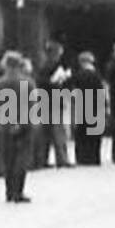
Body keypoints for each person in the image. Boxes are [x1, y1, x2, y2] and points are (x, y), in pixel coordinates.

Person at [0, 51, 35, 203]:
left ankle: (9, 191)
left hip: (5, 123)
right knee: (22, 158)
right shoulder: (28, 82)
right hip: (24, 122)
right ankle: (18, 191)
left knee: (8, 158)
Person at [33, 38, 73, 169]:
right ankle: (62, 159)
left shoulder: (43, 66)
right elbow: (46, 82)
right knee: (58, 132)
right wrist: (58, 81)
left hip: (44, 102)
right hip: (54, 101)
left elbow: (39, 82)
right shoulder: (53, 66)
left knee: (45, 133)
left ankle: (42, 159)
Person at [70, 52, 107, 166]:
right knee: (95, 136)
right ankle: (94, 157)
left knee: (82, 135)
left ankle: (83, 158)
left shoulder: (78, 76)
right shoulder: (98, 76)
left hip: (82, 107)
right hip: (97, 107)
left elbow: (73, 92)